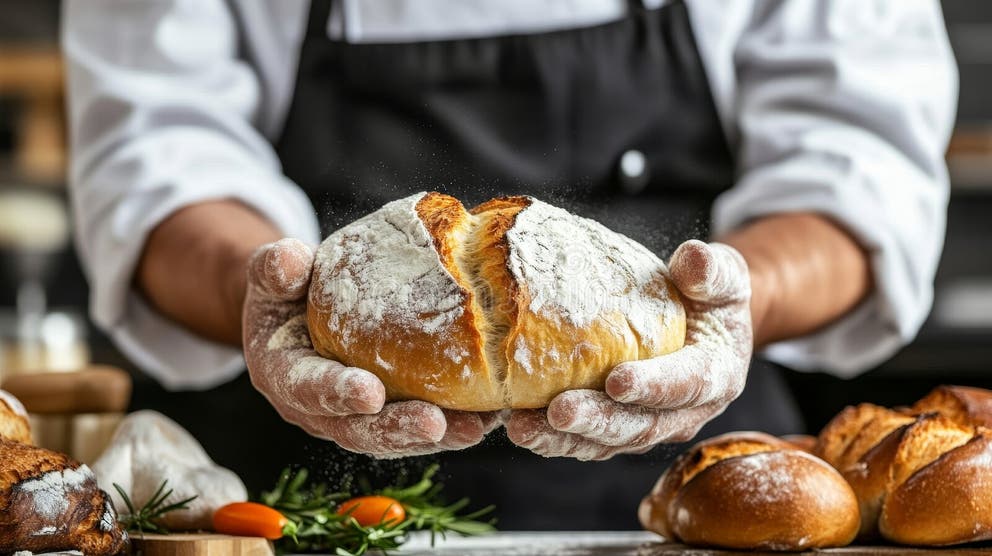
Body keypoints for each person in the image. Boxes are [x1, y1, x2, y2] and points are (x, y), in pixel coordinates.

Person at [62, 0, 957, 529]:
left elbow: (858, 166)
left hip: (697, 486)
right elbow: (157, 151)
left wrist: (727, 303)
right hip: (292, 501)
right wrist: (263, 292)